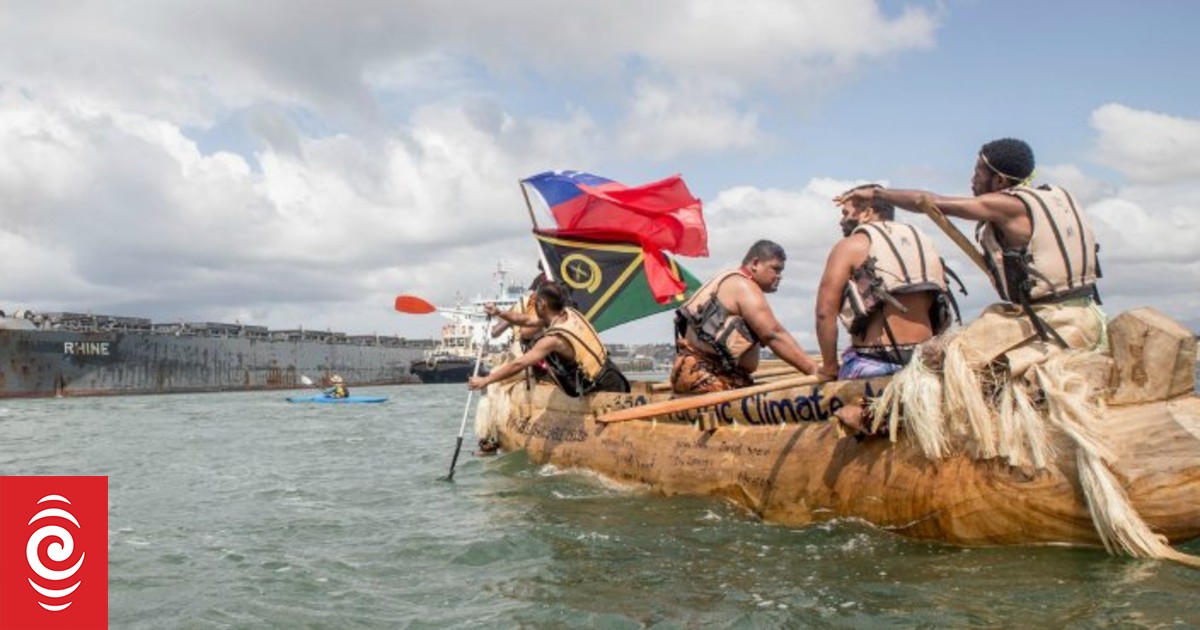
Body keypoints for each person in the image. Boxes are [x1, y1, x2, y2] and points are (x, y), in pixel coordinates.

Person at [833, 138, 1104, 368]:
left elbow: (926, 202)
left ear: (999, 179)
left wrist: (876, 192)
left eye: (978, 173)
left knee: (940, 363)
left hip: (1053, 319)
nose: (972, 180)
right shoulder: (1056, 197)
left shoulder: (1007, 205)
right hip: (1085, 312)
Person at [815, 184, 958, 381]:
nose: (842, 221)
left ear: (866, 213)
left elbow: (824, 313)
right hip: (925, 360)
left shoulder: (851, 246)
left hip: (874, 362)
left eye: (845, 213)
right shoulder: (923, 241)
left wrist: (830, 368)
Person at [671, 239, 820, 394]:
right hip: (708, 380)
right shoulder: (744, 286)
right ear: (755, 263)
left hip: (688, 374)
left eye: (781, 271)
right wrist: (814, 369)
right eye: (775, 269)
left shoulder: (727, 278)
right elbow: (773, 335)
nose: (779, 276)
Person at [468, 281, 630, 396]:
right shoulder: (568, 313)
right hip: (616, 376)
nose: (533, 303)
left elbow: (520, 363)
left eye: (535, 300)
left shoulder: (552, 340)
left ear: (542, 304)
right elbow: (525, 320)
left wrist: (486, 380)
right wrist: (499, 312)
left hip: (603, 389)